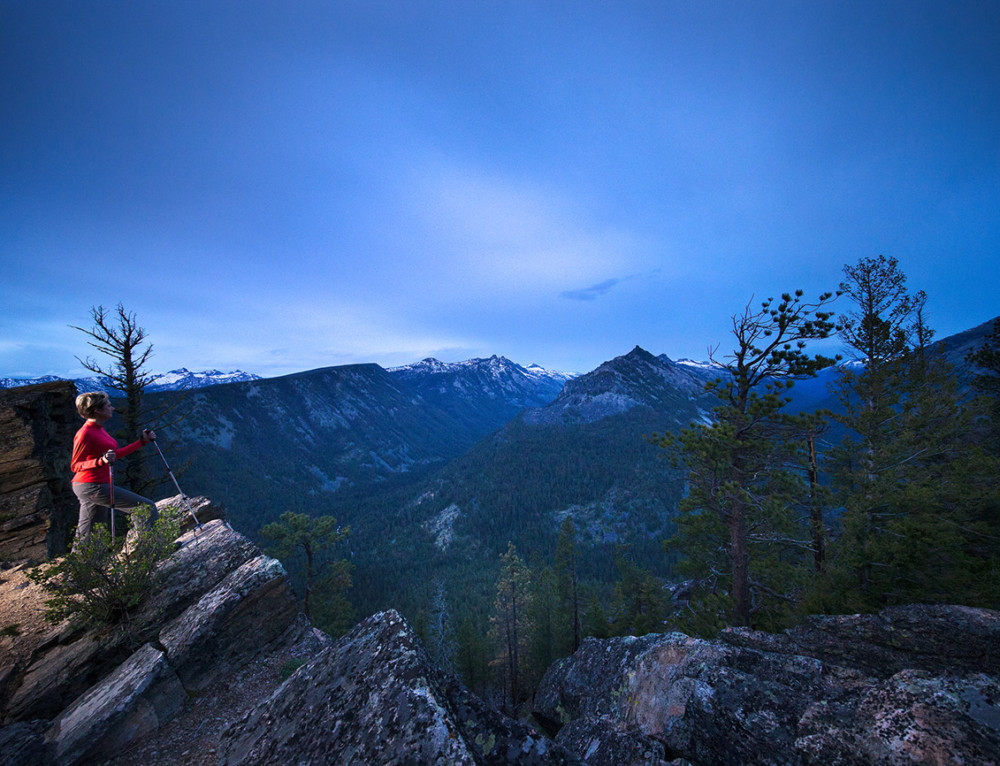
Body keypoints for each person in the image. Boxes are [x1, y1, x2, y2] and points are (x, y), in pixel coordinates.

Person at [71, 391, 158, 551]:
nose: (112, 408)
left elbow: (113, 455)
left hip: (92, 485)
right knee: (145, 508)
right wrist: (100, 461)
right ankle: (145, 552)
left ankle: (81, 563)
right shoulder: (85, 433)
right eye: (108, 405)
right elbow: (75, 465)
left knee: (89, 532)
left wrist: (141, 442)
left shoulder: (98, 429)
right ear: (97, 410)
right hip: (92, 485)